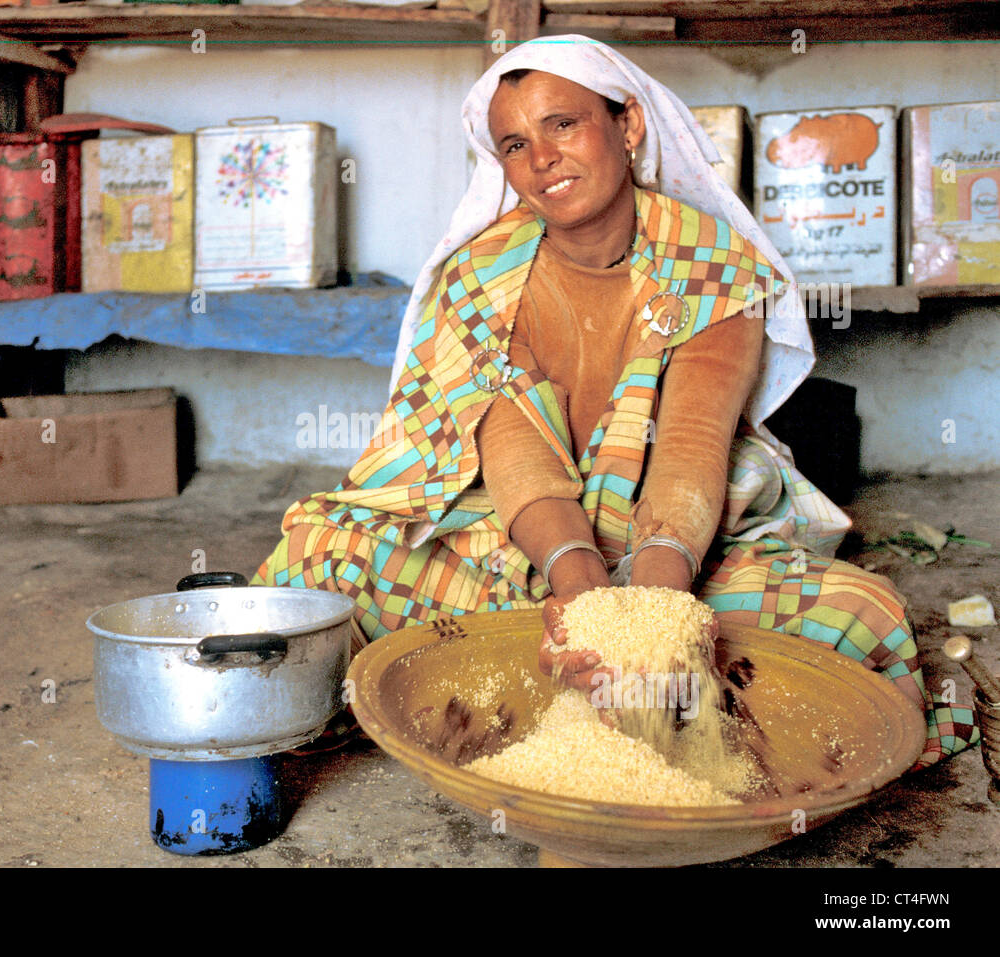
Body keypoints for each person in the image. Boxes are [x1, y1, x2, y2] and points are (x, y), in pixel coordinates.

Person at [254, 35, 975, 770]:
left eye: (562, 124)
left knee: (862, 614)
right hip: (511, 541)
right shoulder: (481, 280)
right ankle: (561, 673)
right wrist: (582, 598)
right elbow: (515, 454)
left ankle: (522, 688)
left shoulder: (713, 265)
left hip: (674, 546)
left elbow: (692, 446)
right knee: (320, 557)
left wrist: (650, 620)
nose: (541, 159)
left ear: (627, 126)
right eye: (513, 143)